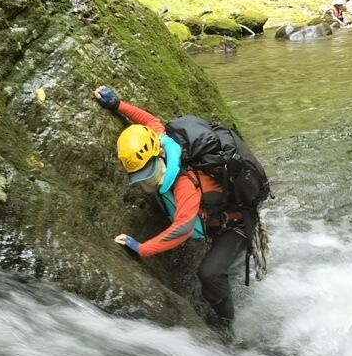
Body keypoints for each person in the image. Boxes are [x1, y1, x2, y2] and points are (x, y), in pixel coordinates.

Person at [93, 85, 260, 329]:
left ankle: (226, 324)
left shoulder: (184, 182)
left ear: (159, 154)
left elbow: (183, 228)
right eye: (141, 177)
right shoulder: (161, 139)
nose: (148, 183)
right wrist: (117, 104)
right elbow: (149, 120)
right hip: (214, 216)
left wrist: (141, 248)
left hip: (235, 223)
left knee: (210, 274)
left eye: (149, 174)